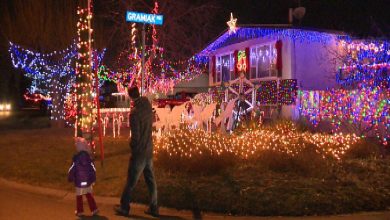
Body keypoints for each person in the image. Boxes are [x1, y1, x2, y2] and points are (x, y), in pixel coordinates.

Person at [115, 86, 159, 217]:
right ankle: (154, 207)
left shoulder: (134, 113)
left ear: (130, 96)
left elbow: (136, 136)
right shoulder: (148, 108)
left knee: (131, 181)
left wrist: (132, 146)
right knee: (151, 181)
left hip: (139, 152)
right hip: (148, 149)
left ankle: (124, 207)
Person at [68, 137, 98, 217]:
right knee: (89, 195)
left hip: (79, 181)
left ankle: (80, 211)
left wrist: (70, 177)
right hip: (88, 181)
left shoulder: (76, 158)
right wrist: (93, 178)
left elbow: (72, 169)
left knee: (79, 196)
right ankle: (94, 209)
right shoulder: (89, 158)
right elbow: (93, 169)